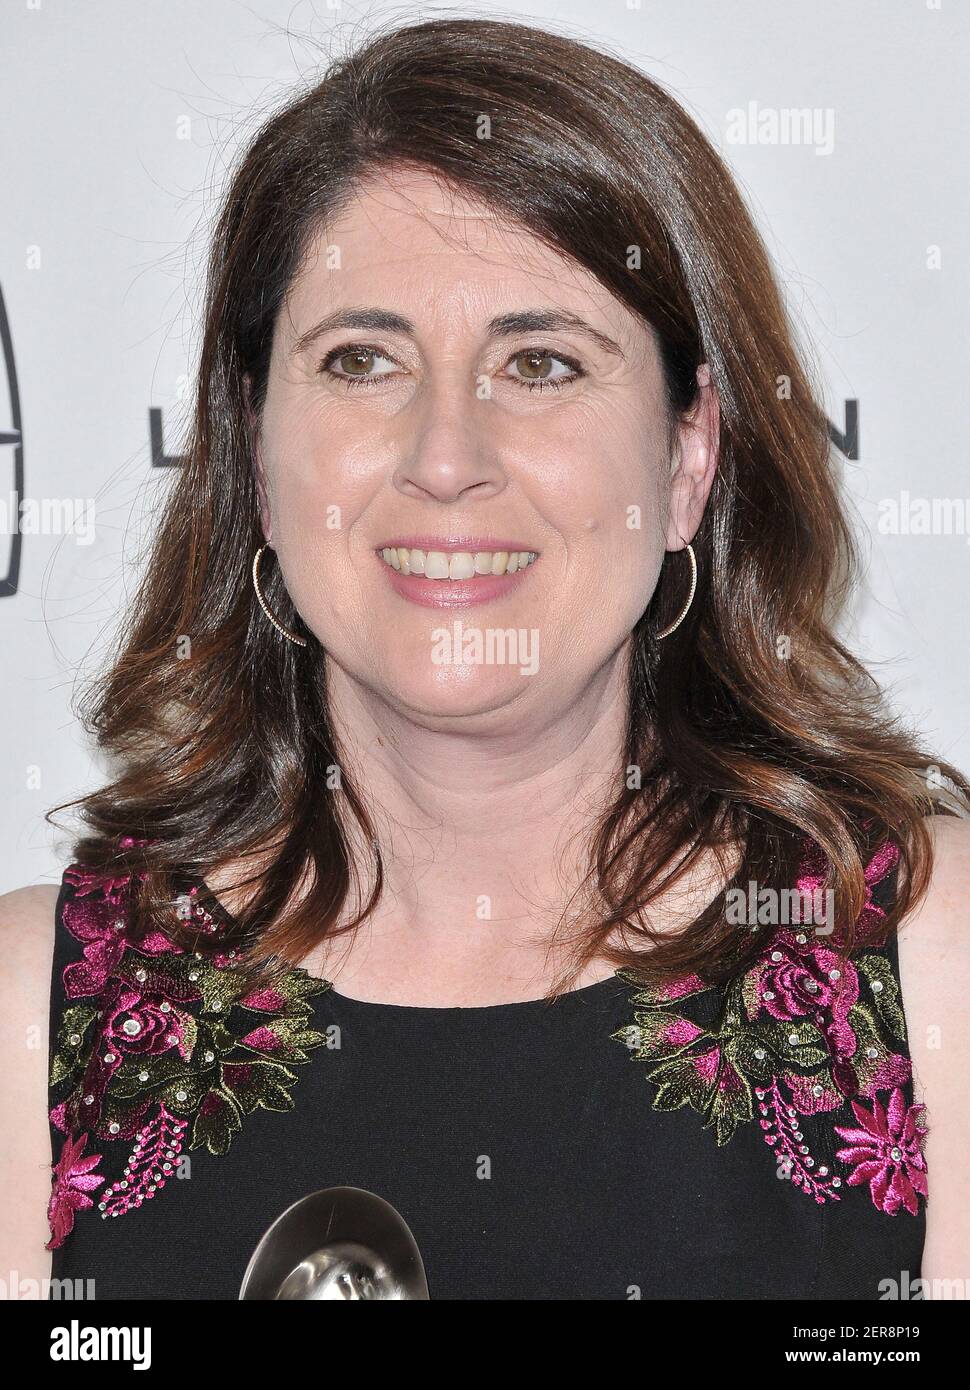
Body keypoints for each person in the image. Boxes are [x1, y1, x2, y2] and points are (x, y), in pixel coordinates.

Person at [2, 15, 968, 1301]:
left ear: (687, 462)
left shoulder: (917, 951)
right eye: (362, 360)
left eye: (541, 363)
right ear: (256, 451)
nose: (446, 454)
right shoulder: (36, 1018)